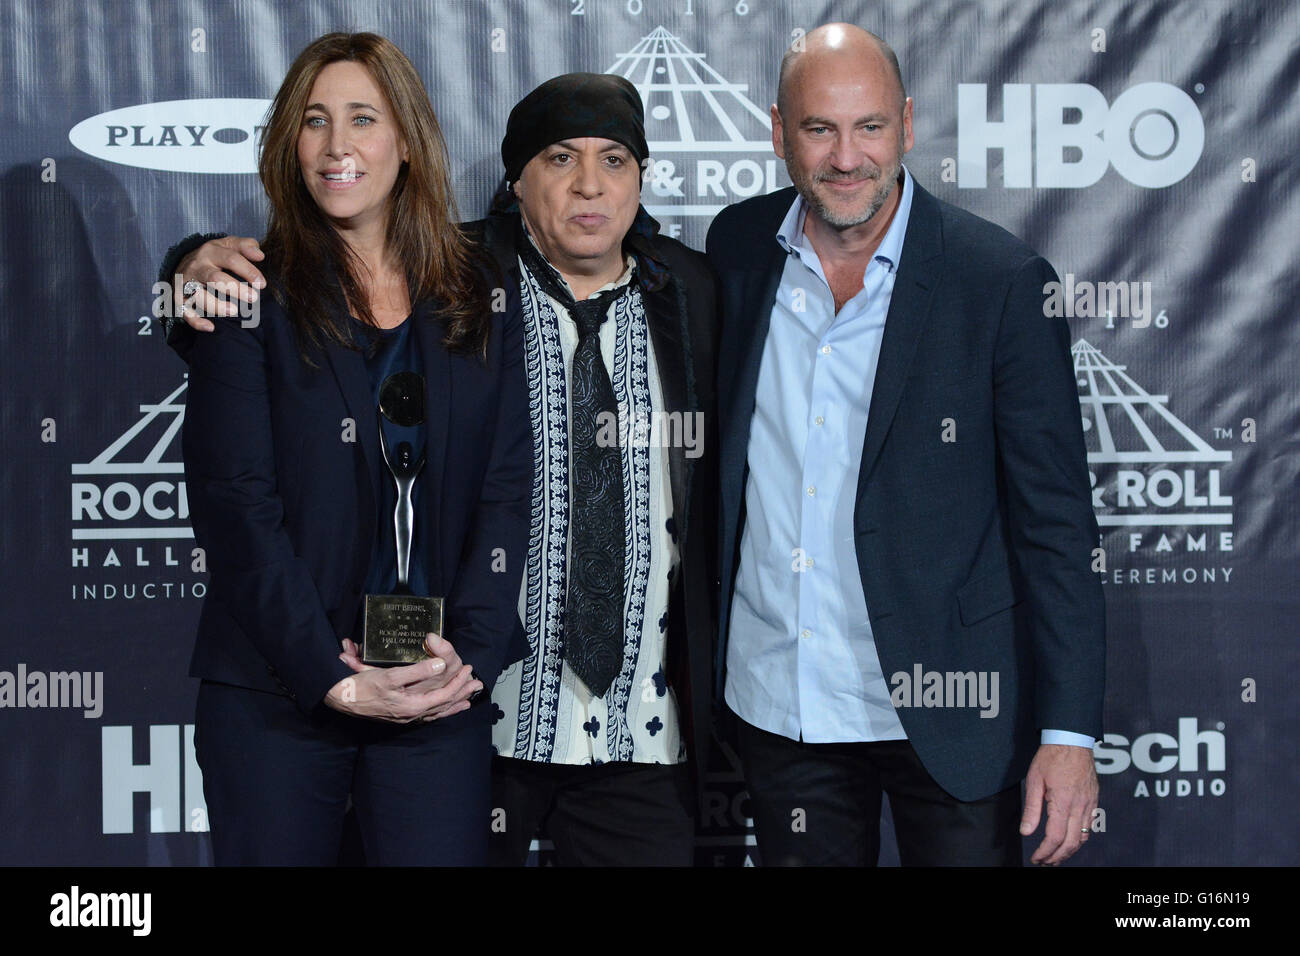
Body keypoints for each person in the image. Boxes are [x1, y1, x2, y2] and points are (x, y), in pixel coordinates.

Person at [160, 72, 717, 867]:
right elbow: (235, 494)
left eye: (615, 160)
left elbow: (507, 488)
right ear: (514, 181)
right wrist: (186, 266)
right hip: (440, 713)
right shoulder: (461, 275)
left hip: (593, 718)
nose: (590, 184)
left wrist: (470, 660)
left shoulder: (689, 290)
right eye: (560, 158)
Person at [707, 24, 1105, 866]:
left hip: (953, 703)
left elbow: (1057, 524)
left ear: (909, 126)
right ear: (779, 132)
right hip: (784, 704)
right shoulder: (737, 249)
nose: (847, 157)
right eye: (820, 129)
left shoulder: (997, 281)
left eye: (870, 127)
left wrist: (1069, 731)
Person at [171, 32, 531, 865]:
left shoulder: (475, 293)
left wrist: (465, 661)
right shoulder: (245, 292)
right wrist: (331, 677)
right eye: (314, 121)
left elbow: (508, 490)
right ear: (287, 143)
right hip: (275, 701)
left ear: (404, 140)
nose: (337, 147)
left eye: (363, 119)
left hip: (436, 698)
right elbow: (237, 511)